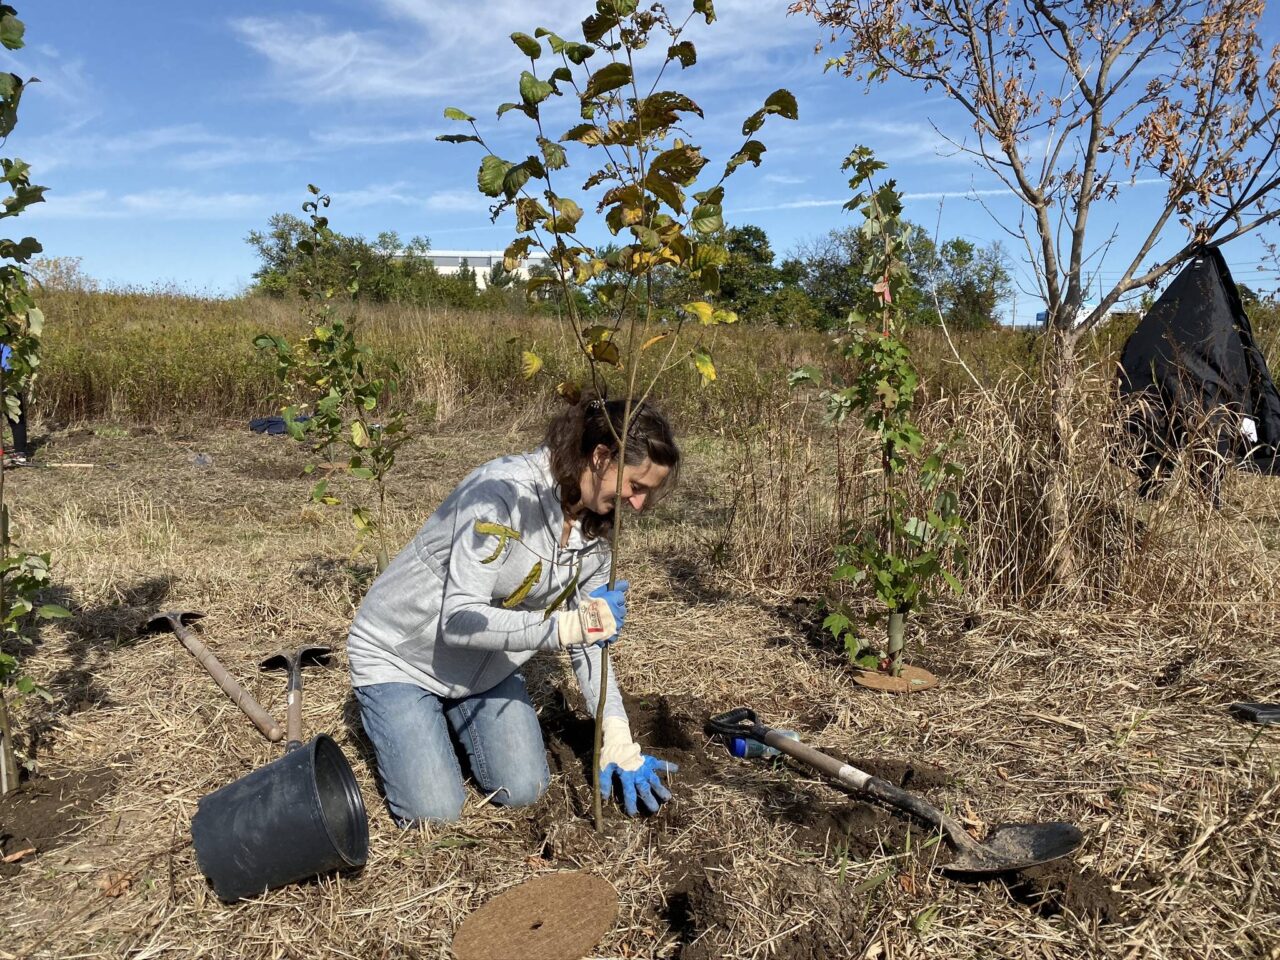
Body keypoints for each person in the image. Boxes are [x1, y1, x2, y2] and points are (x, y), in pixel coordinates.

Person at [347, 395, 682, 826]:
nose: (637, 504)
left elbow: (589, 638)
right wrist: (566, 625)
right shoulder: (499, 497)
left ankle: (450, 714)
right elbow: (459, 620)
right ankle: (403, 710)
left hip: (485, 671)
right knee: (435, 812)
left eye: (647, 494)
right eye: (636, 487)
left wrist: (615, 733)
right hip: (401, 657)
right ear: (601, 457)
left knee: (524, 788)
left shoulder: (595, 533)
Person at [0, 344, 29, 465]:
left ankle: (20, 453)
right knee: (17, 420)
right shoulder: (6, 347)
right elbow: (12, 368)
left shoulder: (5, 348)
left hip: (8, 387)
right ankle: (20, 453)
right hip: (10, 386)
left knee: (17, 420)